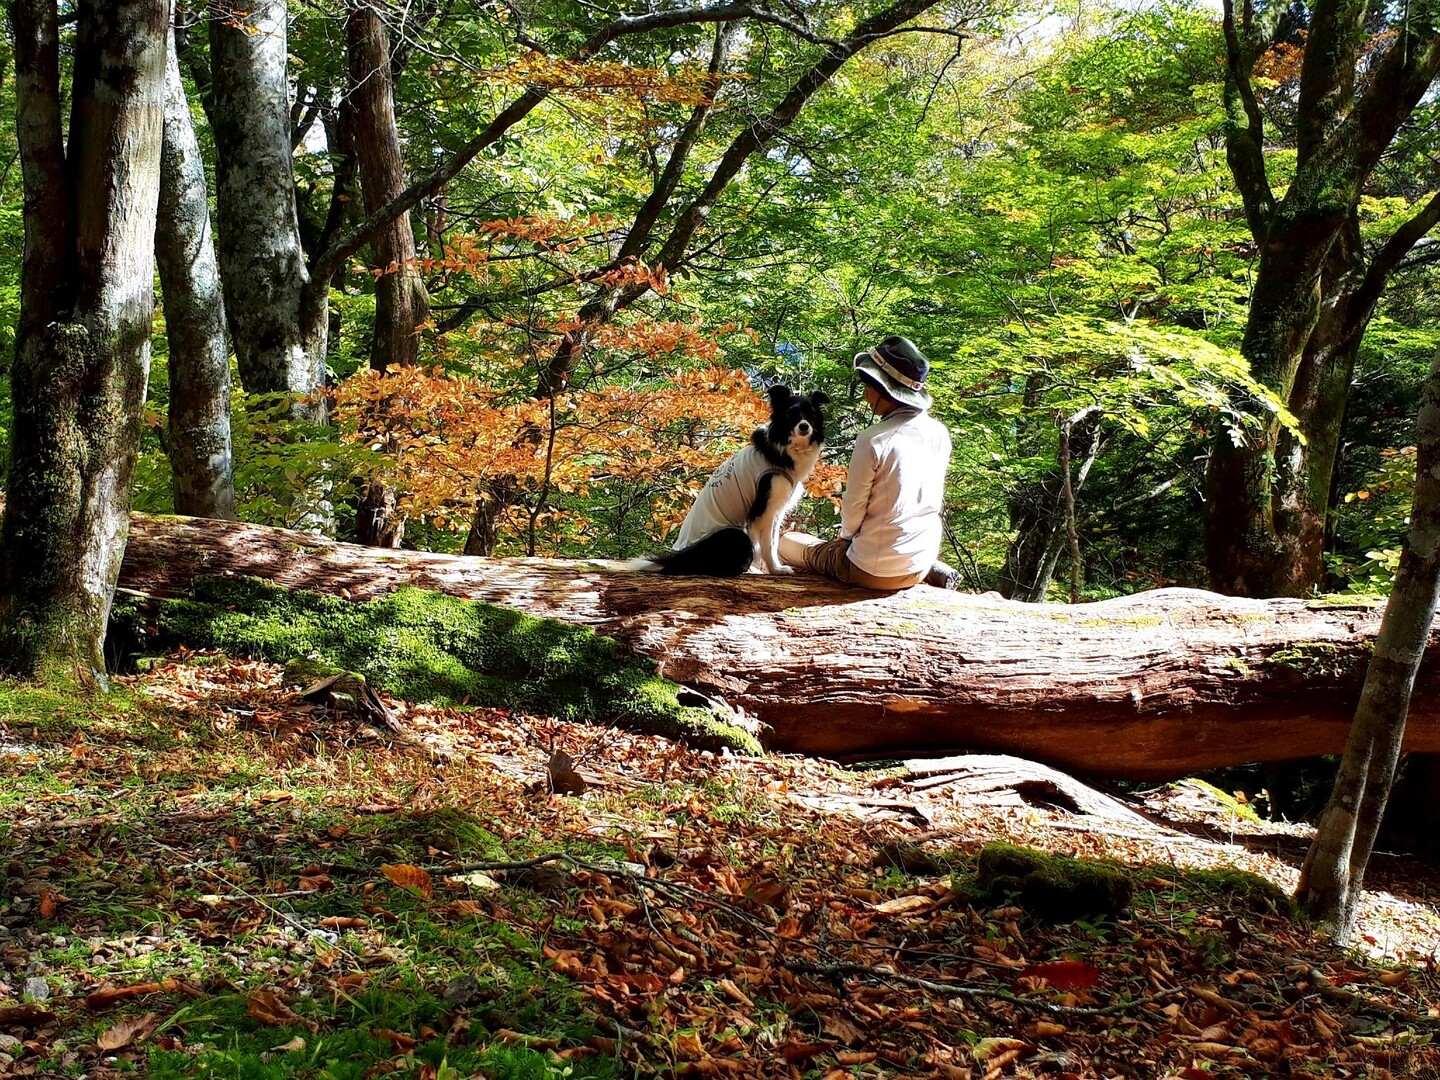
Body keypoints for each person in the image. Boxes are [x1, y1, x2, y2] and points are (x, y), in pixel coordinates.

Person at [779, 336, 951, 590]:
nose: (865, 393)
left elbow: (853, 511)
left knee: (789, 542)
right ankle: (933, 572)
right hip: (919, 561)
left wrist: (844, 540)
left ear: (885, 391)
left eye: (868, 384)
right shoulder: (939, 432)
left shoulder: (873, 440)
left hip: (872, 569)